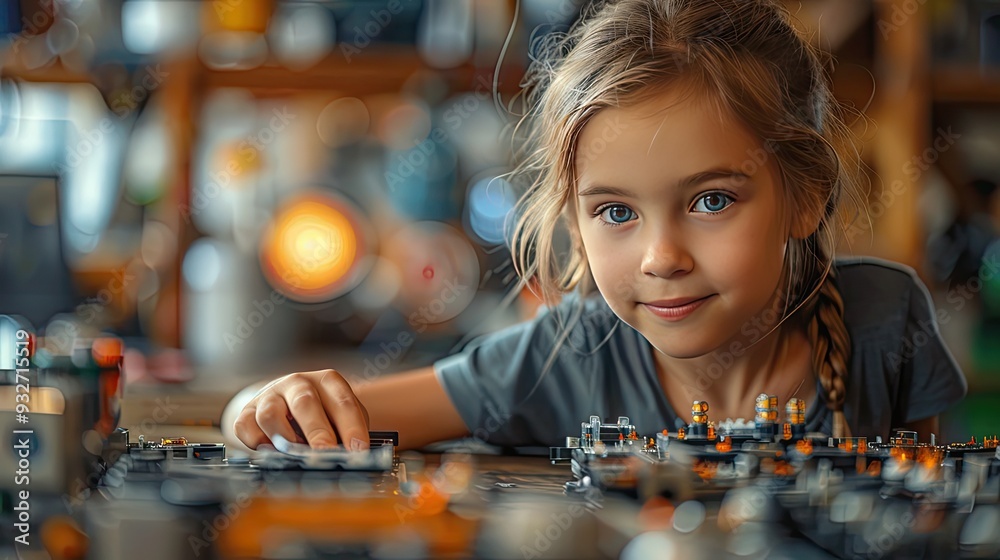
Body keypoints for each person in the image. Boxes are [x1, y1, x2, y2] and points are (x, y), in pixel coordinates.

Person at [232, 0, 967, 452]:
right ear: (574, 224)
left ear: (804, 196)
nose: (661, 257)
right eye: (616, 212)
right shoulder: (567, 354)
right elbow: (293, 416)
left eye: (712, 200)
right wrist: (263, 406)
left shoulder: (885, 322)